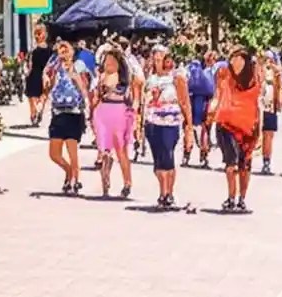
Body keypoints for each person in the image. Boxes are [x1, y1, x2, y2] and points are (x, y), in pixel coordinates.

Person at [142, 46, 192, 208]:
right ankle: (163, 190)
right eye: (155, 58)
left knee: (167, 155)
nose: (158, 61)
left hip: (170, 122)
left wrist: (189, 126)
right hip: (152, 122)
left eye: (161, 58)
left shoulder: (176, 77)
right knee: (157, 159)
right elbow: (145, 100)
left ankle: (167, 193)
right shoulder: (150, 79)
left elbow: (184, 102)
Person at [212, 48, 261, 212]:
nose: (235, 62)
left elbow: (258, 100)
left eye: (239, 59)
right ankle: (231, 197)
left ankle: (242, 198)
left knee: (244, 165)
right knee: (230, 164)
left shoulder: (254, 78)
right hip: (226, 124)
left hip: (248, 126)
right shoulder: (225, 74)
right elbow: (217, 91)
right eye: (233, 59)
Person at [44, 40, 90, 194]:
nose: (63, 54)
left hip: (74, 112)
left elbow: (85, 87)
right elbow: (47, 81)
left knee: (72, 151)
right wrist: (47, 78)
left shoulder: (79, 65)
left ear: (71, 51)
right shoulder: (55, 67)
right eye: (60, 51)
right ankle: (68, 170)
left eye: (66, 50)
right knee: (54, 154)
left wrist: (75, 78)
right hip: (58, 112)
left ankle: (76, 179)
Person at [89, 47, 135, 197]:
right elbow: (95, 97)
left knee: (121, 150)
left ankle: (127, 182)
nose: (109, 63)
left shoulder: (125, 79)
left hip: (119, 112)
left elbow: (132, 98)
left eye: (112, 61)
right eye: (106, 61)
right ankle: (105, 178)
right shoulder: (100, 78)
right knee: (104, 150)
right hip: (103, 112)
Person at [185, 49, 218, 168]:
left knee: (188, 127)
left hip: (193, 101)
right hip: (206, 103)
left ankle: (186, 155)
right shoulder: (213, 72)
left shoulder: (196, 72)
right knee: (205, 130)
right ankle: (204, 157)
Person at [259, 51, 282, 175]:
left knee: (268, 134)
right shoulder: (258, 70)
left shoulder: (276, 72)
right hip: (258, 105)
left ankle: (266, 161)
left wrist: (279, 101)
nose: (268, 61)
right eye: (266, 59)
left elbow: (279, 87)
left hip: (270, 106)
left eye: (270, 59)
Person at [25, 24, 54, 127]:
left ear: (44, 35)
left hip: (39, 74)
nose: (37, 36)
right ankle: (36, 113)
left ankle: (35, 114)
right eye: (35, 34)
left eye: (39, 33)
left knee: (37, 96)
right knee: (37, 96)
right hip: (38, 74)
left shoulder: (36, 51)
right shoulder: (48, 51)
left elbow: (30, 64)